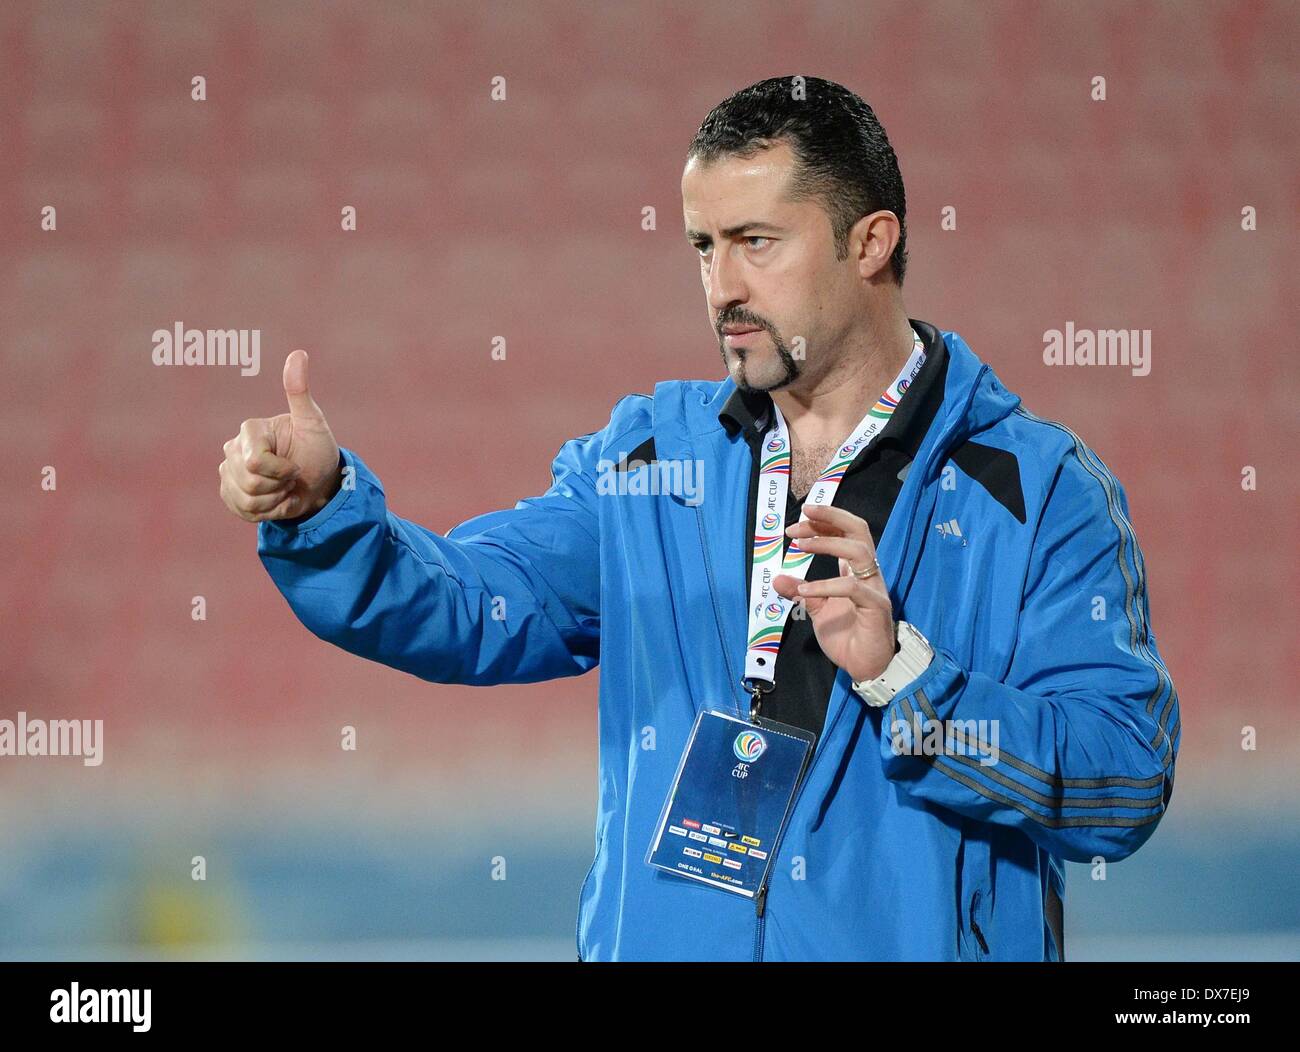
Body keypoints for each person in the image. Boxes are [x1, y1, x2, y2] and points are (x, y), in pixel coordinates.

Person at [218, 76, 1179, 961]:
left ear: (870, 241)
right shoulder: (648, 461)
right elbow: (470, 606)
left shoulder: (1040, 489)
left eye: (756, 242)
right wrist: (327, 510)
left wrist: (905, 678)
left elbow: (1123, 781)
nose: (722, 286)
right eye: (703, 247)